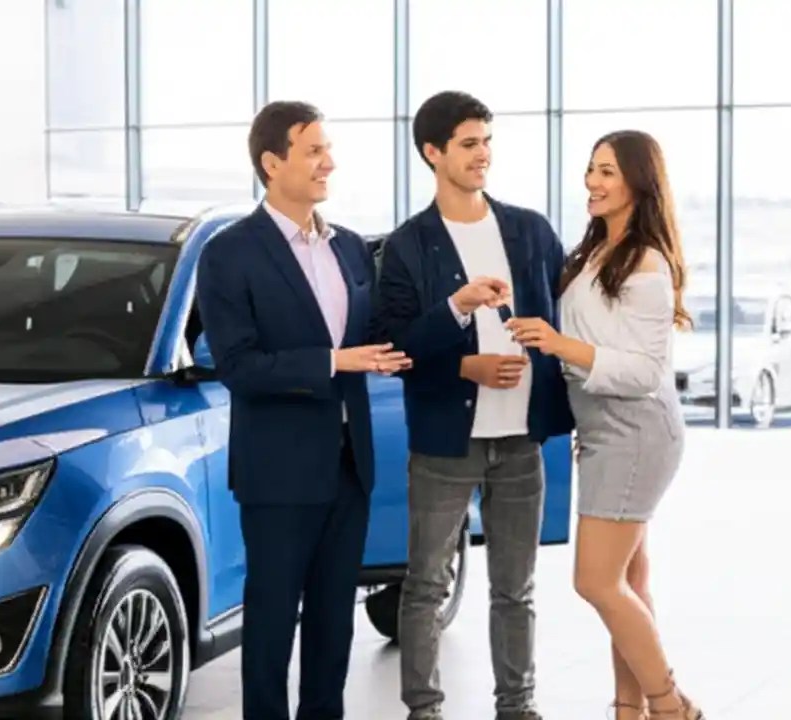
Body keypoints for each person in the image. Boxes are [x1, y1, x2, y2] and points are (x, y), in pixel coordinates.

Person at [196, 100, 412, 720]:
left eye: (328, 149)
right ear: (272, 163)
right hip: (279, 471)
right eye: (314, 150)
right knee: (270, 626)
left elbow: (377, 335)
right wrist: (331, 362)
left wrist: (453, 308)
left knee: (332, 626)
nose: (329, 163)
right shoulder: (230, 252)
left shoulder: (346, 247)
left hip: (350, 466)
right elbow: (237, 366)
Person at [376, 90, 575, 720]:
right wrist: (465, 342)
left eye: (487, 140)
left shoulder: (530, 229)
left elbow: (565, 316)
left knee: (516, 589)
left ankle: (518, 708)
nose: (483, 154)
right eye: (468, 143)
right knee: (426, 586)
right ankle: (424, 710)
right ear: (433, 153)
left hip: (521, 440)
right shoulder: (408, 246)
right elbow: (399, 343)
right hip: (444, 443)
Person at [505, 130, 704, 720]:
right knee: (630, 582)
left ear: (639, 182)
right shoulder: (594, 252)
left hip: (635, 430)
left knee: (595, 582)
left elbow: (644, 372)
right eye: (592, 169)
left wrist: (558, 342)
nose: (593, 181)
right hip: (603, 430)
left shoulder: (646, 263)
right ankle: (628, 708)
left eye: (609, 172)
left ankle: (672, 705)